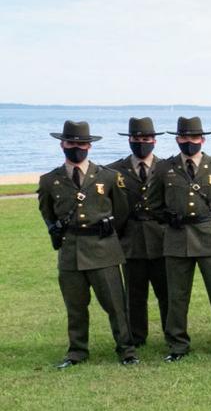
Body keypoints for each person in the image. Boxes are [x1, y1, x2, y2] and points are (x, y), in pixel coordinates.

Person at [39, 120, 138, 367]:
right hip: (71, 251)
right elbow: (48, 214)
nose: (76, 148)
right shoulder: (50, 180)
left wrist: (106, 230)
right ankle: (77, 352)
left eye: (81, 144)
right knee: (75, 307)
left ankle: (126, 350)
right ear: (62, 144)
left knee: (115, 305)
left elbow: (122, 211)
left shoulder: (108, 176)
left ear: (89, 146)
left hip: (103, 248)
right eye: (71, 143)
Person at [150, 116, 211, 360]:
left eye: (193, 137)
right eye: (183, 137)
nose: (188, 142)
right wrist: (168, 217)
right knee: (177, 295)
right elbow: (153, 203)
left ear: (202, 139)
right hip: (177, 237)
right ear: (177, 139)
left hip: (209, 236)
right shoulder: (164, 168)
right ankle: (178, 344)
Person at [106, 116, 167, 348]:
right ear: (129, 140)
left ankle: (171, 334)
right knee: (135, 294)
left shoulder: (166, 168)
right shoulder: (114, 171)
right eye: (137, 138)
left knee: (167, 293)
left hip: (160, 237)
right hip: (131, 239)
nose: (141, 142)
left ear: (154, 141)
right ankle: (137, 337)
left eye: (146, 138)